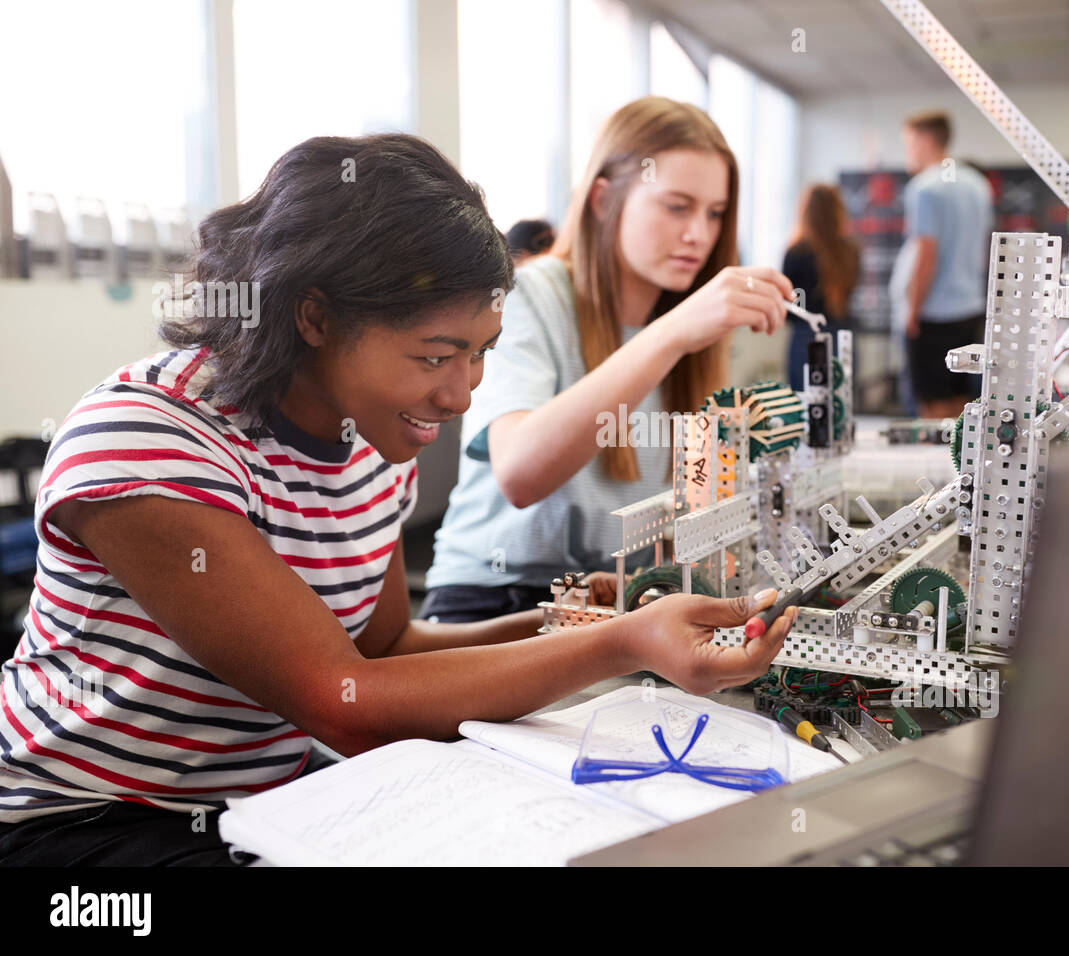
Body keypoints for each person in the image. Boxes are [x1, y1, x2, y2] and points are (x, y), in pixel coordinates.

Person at [0, 133, 799, 866]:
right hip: (85, 824)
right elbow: (343, 702)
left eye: (481, 354)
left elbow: (382, 652)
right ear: (314, 315)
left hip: (262, 801)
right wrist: (622, 644)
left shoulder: (371, 440)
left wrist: (575, 620)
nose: (461, 394)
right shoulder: (151, 439)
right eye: (436, 355)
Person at [421, 97, 795, 623]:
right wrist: (674, 333)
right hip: (495, 602)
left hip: (617, 601)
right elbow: (521, 473)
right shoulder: (528, 294)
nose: (699, 235)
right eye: (677, 206)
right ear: (602, 199)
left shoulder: (688, 333)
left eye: (714, 214)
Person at [891, 110, 993, 419]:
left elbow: (926, 254)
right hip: (970, 310)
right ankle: (960, 466)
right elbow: (986, 248)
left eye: (909, 143)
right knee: (962, 405)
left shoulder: (925, 187)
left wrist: (913, 309)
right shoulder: (978, 185)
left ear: (926, 140)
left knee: (932, 409)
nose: (907, 152)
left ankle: (937, 468)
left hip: (933, 315)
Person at [782, 184, 860, 388]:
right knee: (841, 405)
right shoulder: (851, 251)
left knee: (805, 406)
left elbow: (790, 306)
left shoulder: (796, 253)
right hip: (843, 337)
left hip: (806, 339)